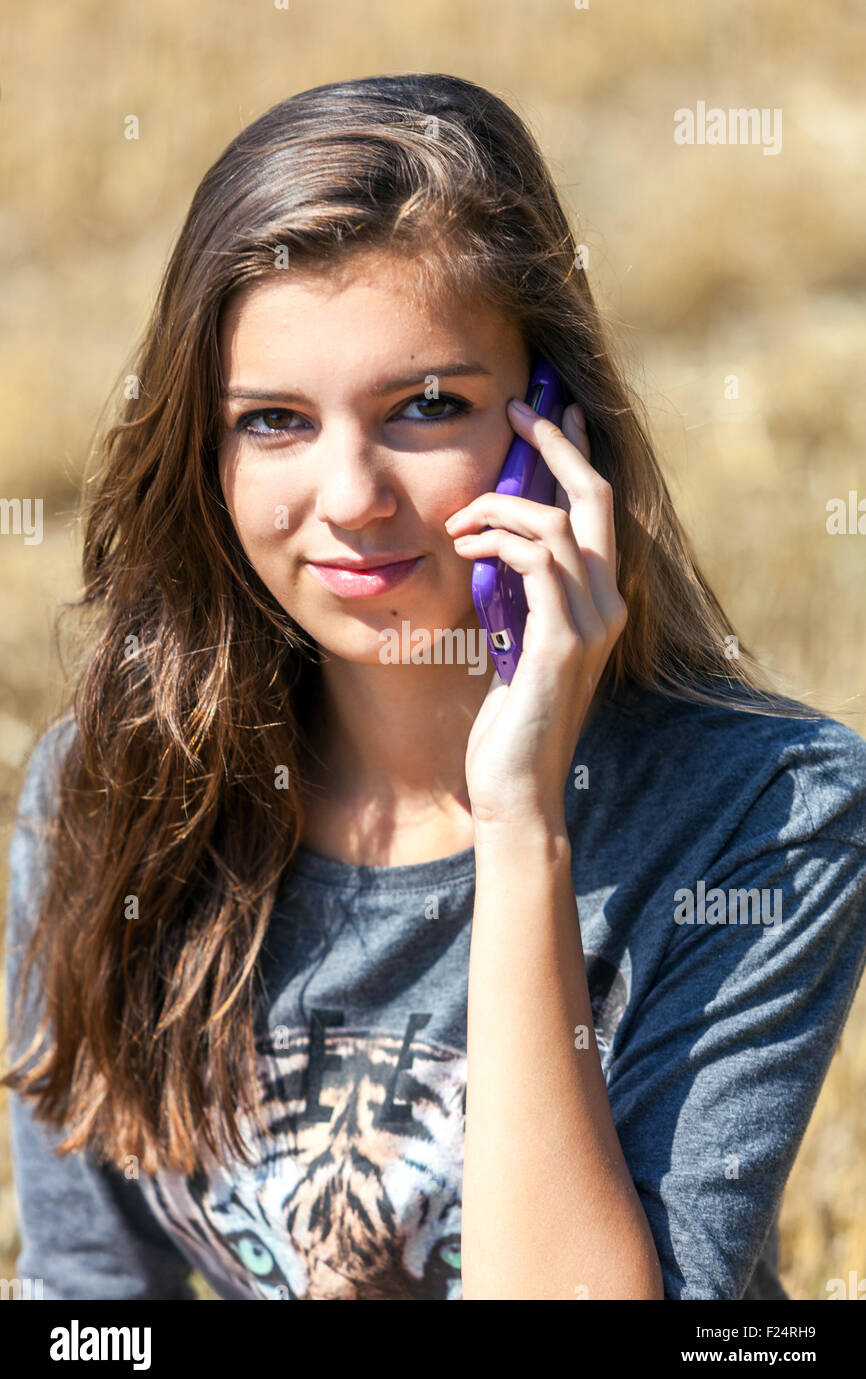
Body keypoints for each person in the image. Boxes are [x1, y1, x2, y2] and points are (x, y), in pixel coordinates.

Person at [4, 72, 866, 1302]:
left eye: (425, 406)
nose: (349, 496)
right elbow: (90, 1298)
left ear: (555, 430)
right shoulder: (109, 784)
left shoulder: (766, 813)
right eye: (274, 422)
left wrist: (522, 825)